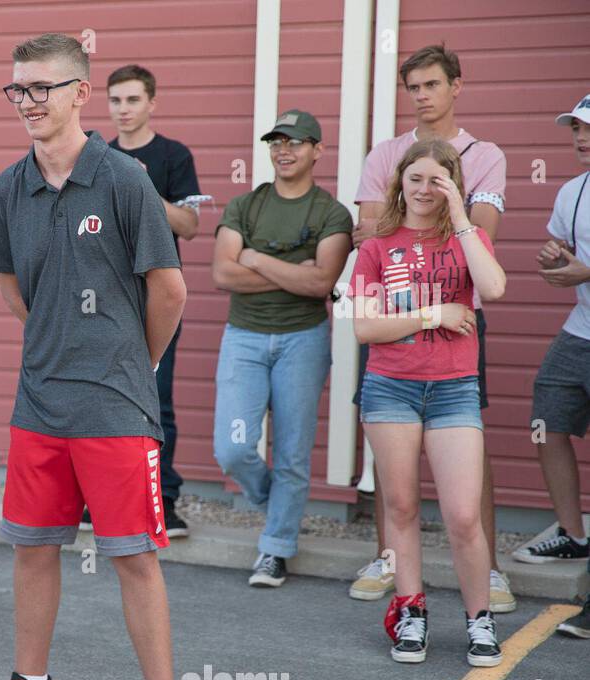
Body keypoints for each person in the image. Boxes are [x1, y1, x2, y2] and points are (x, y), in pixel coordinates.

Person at [0, 33, 202, 680]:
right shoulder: (7, 189)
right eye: (18, 90)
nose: (29, 102)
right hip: (39, 405)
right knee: (33, 550)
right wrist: (56, 350)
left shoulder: (124, 180)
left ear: (80, 94)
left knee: (135, 560)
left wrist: (135, 364)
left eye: (43, 88)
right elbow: (10, 288)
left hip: (116, 407)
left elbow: (171, 291)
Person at [348, 43, 514, 613]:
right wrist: (424, 303)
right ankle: (393, 565)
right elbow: (369, 229)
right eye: (412, 87)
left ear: (455, 86)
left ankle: (485, 571)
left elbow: (481, 235)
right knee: (394, 465)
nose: (421, 96)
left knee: (465, 444)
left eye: (431, 85)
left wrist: (451, 224)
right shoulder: (387, 151)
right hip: (396, 339)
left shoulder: (485, 152)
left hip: (459, 331)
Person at [210, 110, 353, 588]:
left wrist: (254, 256)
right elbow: (223, 274)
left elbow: (320, 283)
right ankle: (278, 505)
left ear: (317, 150)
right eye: (276, 142)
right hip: (244, 338)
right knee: (232, 447)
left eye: (294, 142)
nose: (283, 150)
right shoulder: (244, 206)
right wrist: (291, 268)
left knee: (292, 452)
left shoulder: (331, 213)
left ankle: (275, 549)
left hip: (303, 341)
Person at [106, 63, 203, 538]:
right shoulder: (97, 155)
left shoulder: (172, 155)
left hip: (158, 298)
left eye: (132, 100)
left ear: (151, 103)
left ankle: (164, 499)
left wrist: (141, 184)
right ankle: (107, 498)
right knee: (104, 399)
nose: (123, 110)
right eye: (115, 101)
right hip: (104, 298)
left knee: (155, 400)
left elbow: (189, 225)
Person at [527, 94, 590, 638]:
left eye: (588, 128)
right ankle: (574, 532)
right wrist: (554, 260)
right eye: (574, 128)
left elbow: (584, 267)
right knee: (547, 419)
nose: (580, 137)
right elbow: (563, 250)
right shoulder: (573, 191)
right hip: (580, 331)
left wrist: (583, 273)